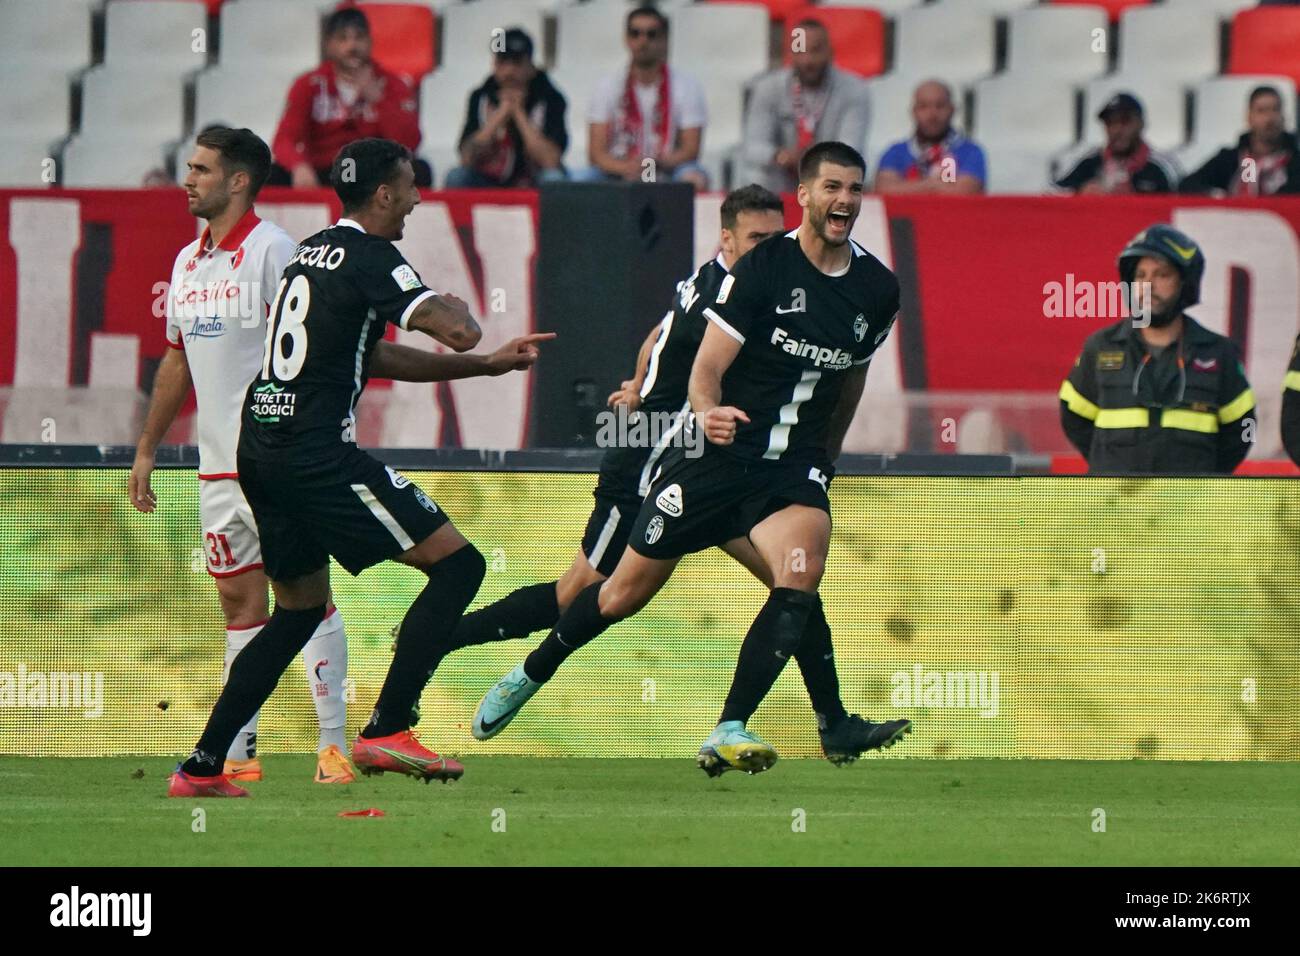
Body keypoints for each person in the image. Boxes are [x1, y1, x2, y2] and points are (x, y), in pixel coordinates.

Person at [475, 143, 912, 776]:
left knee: (799, 573)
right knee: (620, 594)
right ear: (807, 196)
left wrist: (826, 461)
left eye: (855, 188)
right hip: (714, 458)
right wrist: (705, 412)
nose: (845, 199)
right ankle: (529, 672)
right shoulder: (762, 271)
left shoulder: (877, 288)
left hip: (790, 469)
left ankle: (735, 727)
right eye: (833, 187)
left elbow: (850, 381)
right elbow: (705, 369)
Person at [166, 138, 553, 797]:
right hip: (316, 454)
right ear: (382, 195)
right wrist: (461, 319)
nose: (417, 198)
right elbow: (458, 329)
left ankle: (202, 766)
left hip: (261, 451)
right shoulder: (375, 258)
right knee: (460, 566)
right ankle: (388, 727)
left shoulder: (311, 254)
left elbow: (370, 358)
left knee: (294, 614)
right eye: (408, 188)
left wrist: (484, 370)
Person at [434, 185, 799, 737]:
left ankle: (816, 719)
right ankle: (441, 640)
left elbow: (658, 335)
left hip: (700, 460)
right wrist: (645, 398)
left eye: (778, 238)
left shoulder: (721, 280)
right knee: (578, 592)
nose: (770, 249)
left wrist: (636, 383)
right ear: (727, 239)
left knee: (791, 580)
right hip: (649, 455)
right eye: (757, 239)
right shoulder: (728, 293)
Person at [130, 127, 354, 785]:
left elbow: (313, 349)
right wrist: (147, 447)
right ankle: (238, 756)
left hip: (277, 464)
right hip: (217, 468)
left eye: (200, 169)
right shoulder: (186, 262)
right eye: (188, 167)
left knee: (307, 599)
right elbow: (176, 358)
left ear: (237, 180)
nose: (187, 179)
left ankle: (333, 747)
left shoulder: (273, 250)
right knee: (238, 604)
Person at [1059, 224, 1255, 474]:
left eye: (1161, 275)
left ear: (1185, 283)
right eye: (1140, 276)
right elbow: (1074, 420)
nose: (1148, 285)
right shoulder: (1100, 347)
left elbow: (1244, 429)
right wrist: (1108, 465)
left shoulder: (1218, 352)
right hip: (1115, 506)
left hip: (1189, 508)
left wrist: (1205, 477)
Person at [270, 7, 429, 189]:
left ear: (369, 42)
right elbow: (283, 140)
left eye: (359, 38)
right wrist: (298, 166)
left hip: (373, 173)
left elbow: (410, 143)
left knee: (419, 170)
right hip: (322, 170)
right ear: (329, 45)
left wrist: (378, 100)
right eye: (343, 39)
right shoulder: (309, 84)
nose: (352, 46)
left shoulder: (392, 84)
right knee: (272, 174)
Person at [575, 6, 709, 188]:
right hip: (619, 169)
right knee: (580, 180)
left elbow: (690, 150)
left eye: (651, 34)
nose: (643, 41)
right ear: (626, 39)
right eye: (635, 33)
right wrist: (626, 167)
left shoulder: (687, 86)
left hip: (666, 168)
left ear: (665, 40)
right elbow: (596, 153)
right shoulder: (606, 86)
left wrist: (653, 165)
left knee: (694, 178)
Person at [738, 18, 870, 194]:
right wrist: (780, 156)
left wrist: (816, 160)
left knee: (850, 174)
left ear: (830, 52)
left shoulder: (854, 89)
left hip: (829, 174)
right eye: (800, 52)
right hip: (782, 172)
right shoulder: (767, 88)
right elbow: (753, 145)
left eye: (815, 51)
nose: (807, 60)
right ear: (790, 54)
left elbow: (851, 147)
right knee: (756, 175)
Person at [445, 27, 568, 188]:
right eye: (502, 62)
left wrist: (519, 114)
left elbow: (550, 161)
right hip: (490, 180)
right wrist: (499, 116)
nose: (509, 71)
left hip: (533, 180)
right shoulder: (481, 97)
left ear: (531, 67)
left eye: (517, 63)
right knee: (457, 177)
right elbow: (467, 158)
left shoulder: (551, 98)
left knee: (554, 179)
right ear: (494, 65)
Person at [1180, 85, 1300, 196]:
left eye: (1275, 109)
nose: (1269, 118)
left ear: (1284, 116)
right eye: (1261, 111)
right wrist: (1215, 195)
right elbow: (1187, 185)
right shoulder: (1229, 158)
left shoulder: (1295, 161)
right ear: (1249, 117)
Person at [874, 80, 985, 194]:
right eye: (923, 106)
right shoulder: (895, 152)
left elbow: (965, 192)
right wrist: (934, 185)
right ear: (914, 111)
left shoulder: (971, 151)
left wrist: (907, 187)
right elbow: (884, 191)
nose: (932, 114)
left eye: (940, 106)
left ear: (952, 110)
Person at [1054, 93, 1178, 194]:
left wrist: (1134, 197)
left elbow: (1181, 205)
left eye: (1125, 121)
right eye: (1110, 123)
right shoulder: (1091, 161)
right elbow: (1052, 195)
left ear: (1141, 124)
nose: (1116, 130)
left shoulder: (1161, 166)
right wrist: (1080, 192)